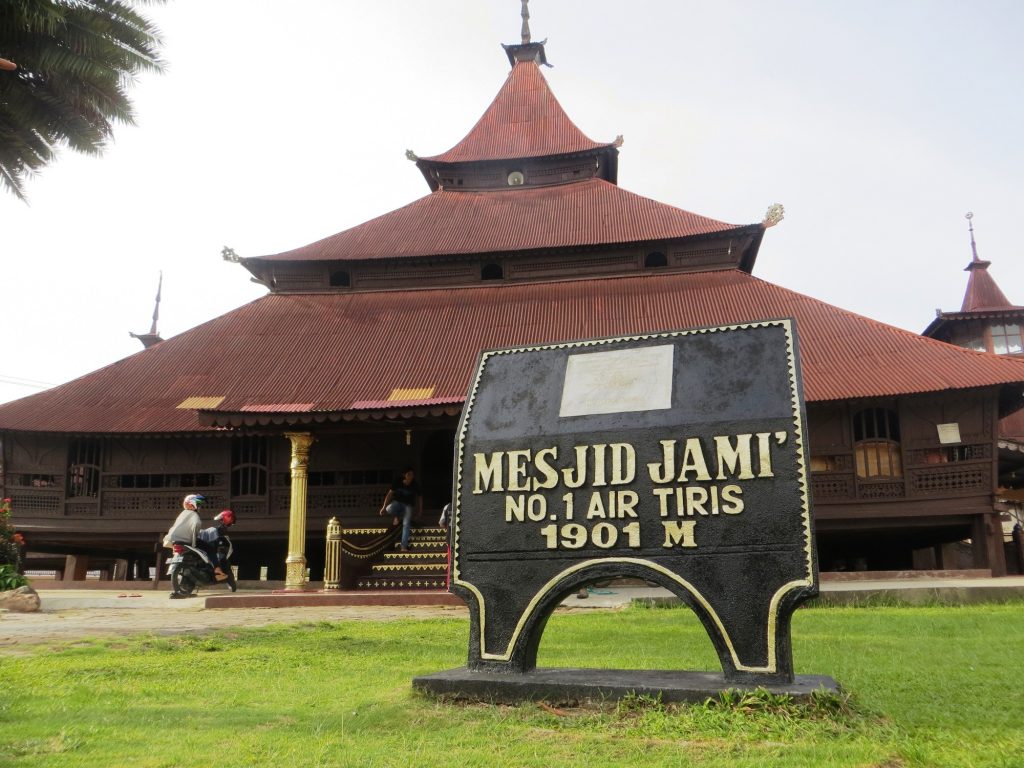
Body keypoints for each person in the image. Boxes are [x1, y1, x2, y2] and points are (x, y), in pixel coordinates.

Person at [379, 467, 421, 552]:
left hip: (408, 506)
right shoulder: (398, 482)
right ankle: (397, 516)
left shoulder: (415, 484)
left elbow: (420, 498)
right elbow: (389, 494)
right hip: (397, 503)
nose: (410, 477)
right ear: (404, 475)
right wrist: (383, 507)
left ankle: (403, 546)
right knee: (389, 508)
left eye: (412, 475)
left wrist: (420, 511)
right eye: (408, 475)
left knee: (406, 524)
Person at [198, 509, 235, 580]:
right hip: (202, 547)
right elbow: (212, 545)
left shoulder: (214, 529)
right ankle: (217, 571)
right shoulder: (214, 530)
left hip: (199, 545)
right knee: (218, 556)